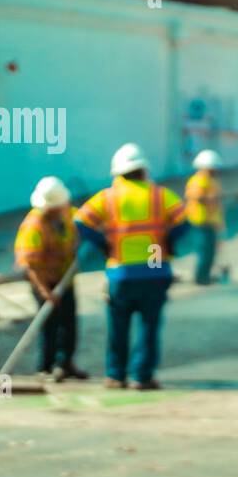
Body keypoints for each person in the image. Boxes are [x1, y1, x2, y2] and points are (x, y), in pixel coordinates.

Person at [74, 143, 188, 390]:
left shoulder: (108, 197)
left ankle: (116, 375)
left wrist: (104, 244)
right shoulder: (160, 195)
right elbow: (183, 221)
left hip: (121, 271)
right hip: (155, 267)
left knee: (118, 327)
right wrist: (166, 242)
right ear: (143, 170)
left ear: (118, 172)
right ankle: (142, 376)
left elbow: (80, 223)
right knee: (149, 327)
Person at [15, 176, 88, 382]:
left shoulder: (67, 215)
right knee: (50, 325)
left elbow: (84, 225)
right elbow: (30, 265)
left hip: (65, 279)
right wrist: (45, 291)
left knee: (69, 324)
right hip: (44, 280)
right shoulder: (34, 225)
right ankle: (46, 366)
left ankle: (65, 364)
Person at [185, 149, 226, 285]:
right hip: (201, 221)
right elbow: (197, 197)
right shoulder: (199, 180)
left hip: (209, 221)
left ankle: (205, 276)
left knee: (209, 251)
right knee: (205, 251)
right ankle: (201, 278)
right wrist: (211, 199)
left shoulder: (209, 180)